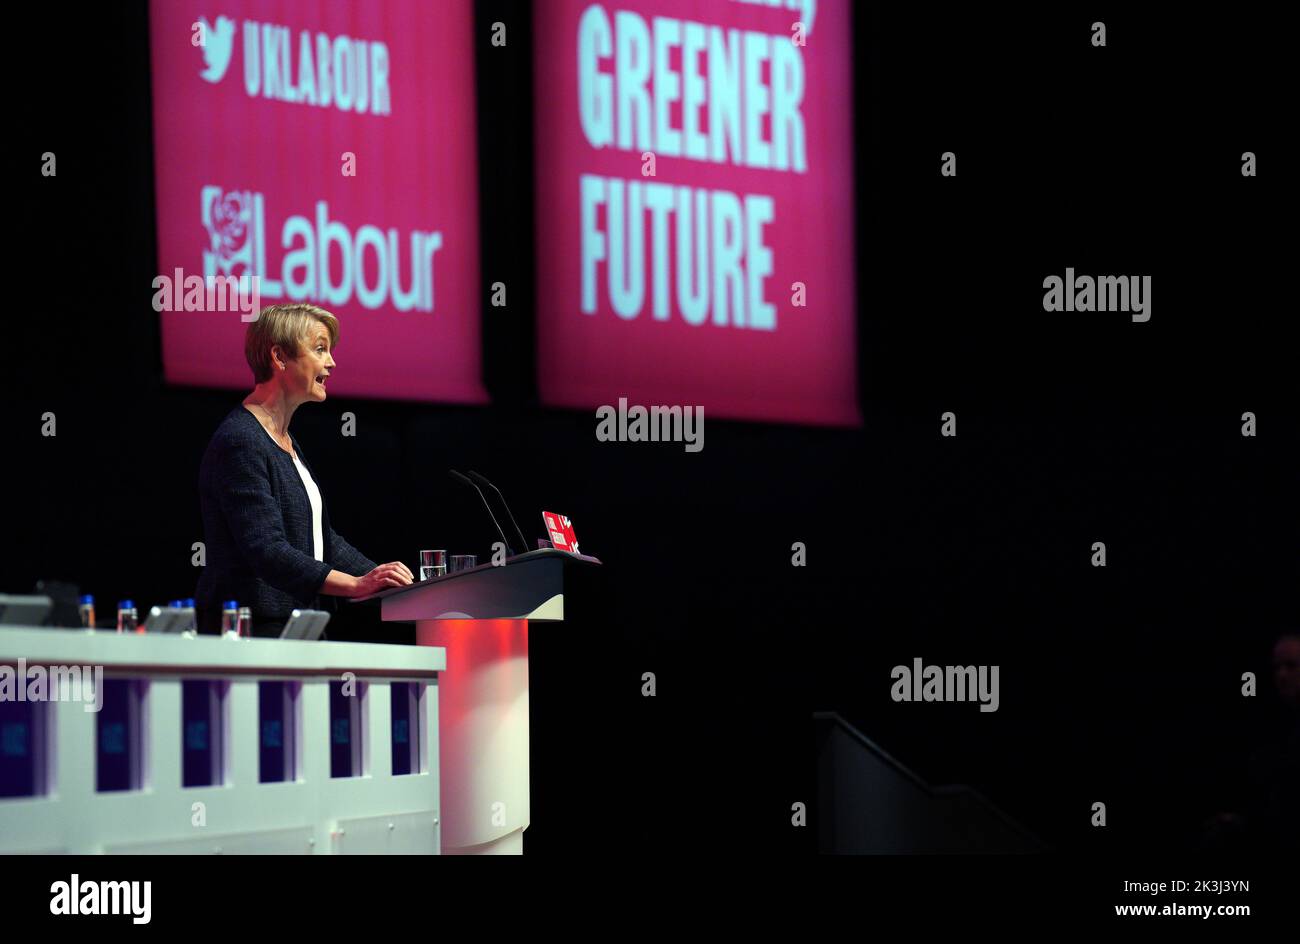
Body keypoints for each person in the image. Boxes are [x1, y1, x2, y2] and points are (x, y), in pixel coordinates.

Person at [195, 304, 412, 637]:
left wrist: (385, 581)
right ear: (280, 357)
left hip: (296, 624)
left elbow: (323, 541)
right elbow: (266, 550)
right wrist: (354, 584)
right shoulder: (241, 440)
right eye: (320, 349)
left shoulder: (285, 440)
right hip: (249, 629)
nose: (332, 362)